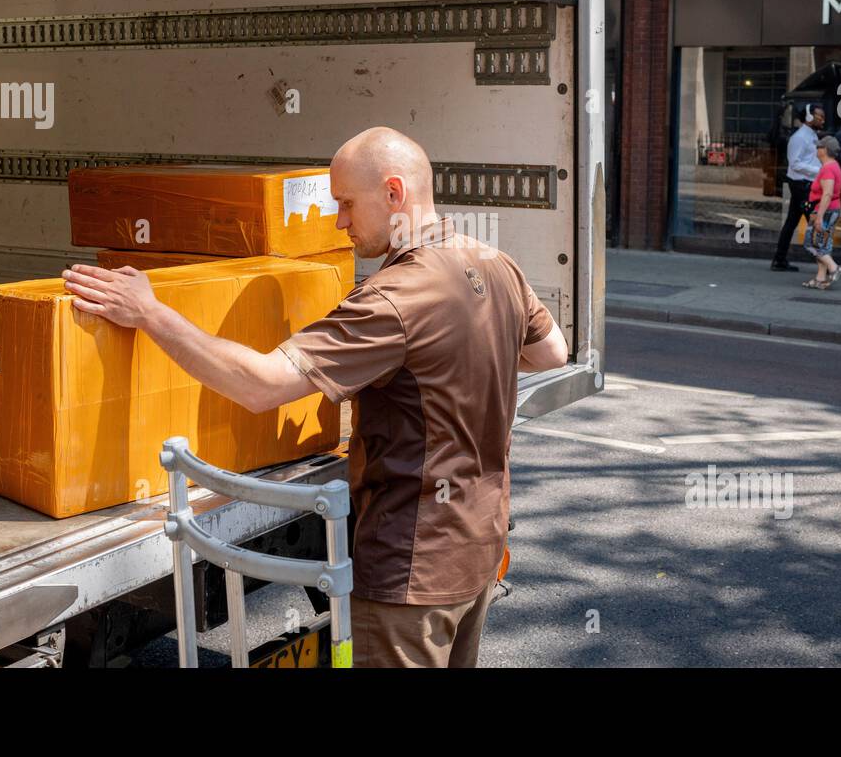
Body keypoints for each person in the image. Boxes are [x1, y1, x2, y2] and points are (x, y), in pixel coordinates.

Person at [61, 127, 569, 668]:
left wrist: (151, 312)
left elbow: (261, 385)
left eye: (347, 204)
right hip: (477, 552)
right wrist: (446, 358)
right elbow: (552, 354)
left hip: (410, 574)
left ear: (394, 194)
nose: (339, 221)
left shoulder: (394, 300)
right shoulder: (495, 262)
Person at [771, 104, 826, 272]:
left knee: (791, 223)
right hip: (802, 186)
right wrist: (819, 171)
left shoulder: (812, 136)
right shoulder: (800, 137)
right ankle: (830, 264)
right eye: (819, 117)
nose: (822, 120)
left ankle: (779, 260)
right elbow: (794, 163)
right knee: (818, 222)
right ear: (809, 117)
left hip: (804, 185)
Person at [802, 135, 841, 290]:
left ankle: (834, 268)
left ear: (825, 150)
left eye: (819, 147)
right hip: (832, 210)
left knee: (811, 244)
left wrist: (819, 216)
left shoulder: (828, 168)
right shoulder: (834, 166)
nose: (817, 149)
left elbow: (827, 194)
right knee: (822, 244)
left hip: (825, 211)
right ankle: (820, 279)